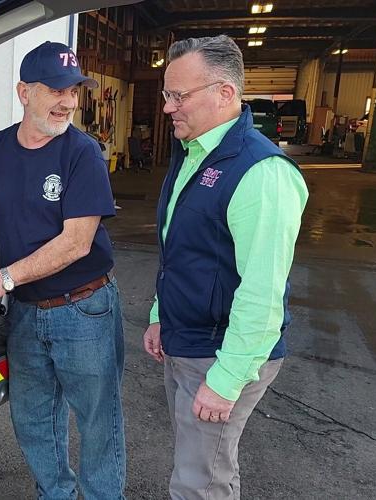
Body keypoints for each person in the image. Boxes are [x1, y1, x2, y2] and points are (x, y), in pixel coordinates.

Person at [0, 41, 126, 500]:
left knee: (98, 422)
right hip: (25, 312)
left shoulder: (82, 153)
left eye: (73, 91)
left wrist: (2, 279)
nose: (68, 102)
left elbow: (76, 243)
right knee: (34, 419)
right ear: (24, 92)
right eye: (56, 90)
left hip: (84, 308)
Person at [142, 35, 308, 500]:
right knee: (204, 467)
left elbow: (262, 291)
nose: (168, 107)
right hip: (187, 338)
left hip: (219, 352)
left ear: (225, 93)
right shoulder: (194, 151)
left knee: (198, 482)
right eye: (167, 94)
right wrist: (160, 314)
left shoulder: (261, 172)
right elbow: (183, 250)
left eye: (179, 96)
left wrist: (227, 380)